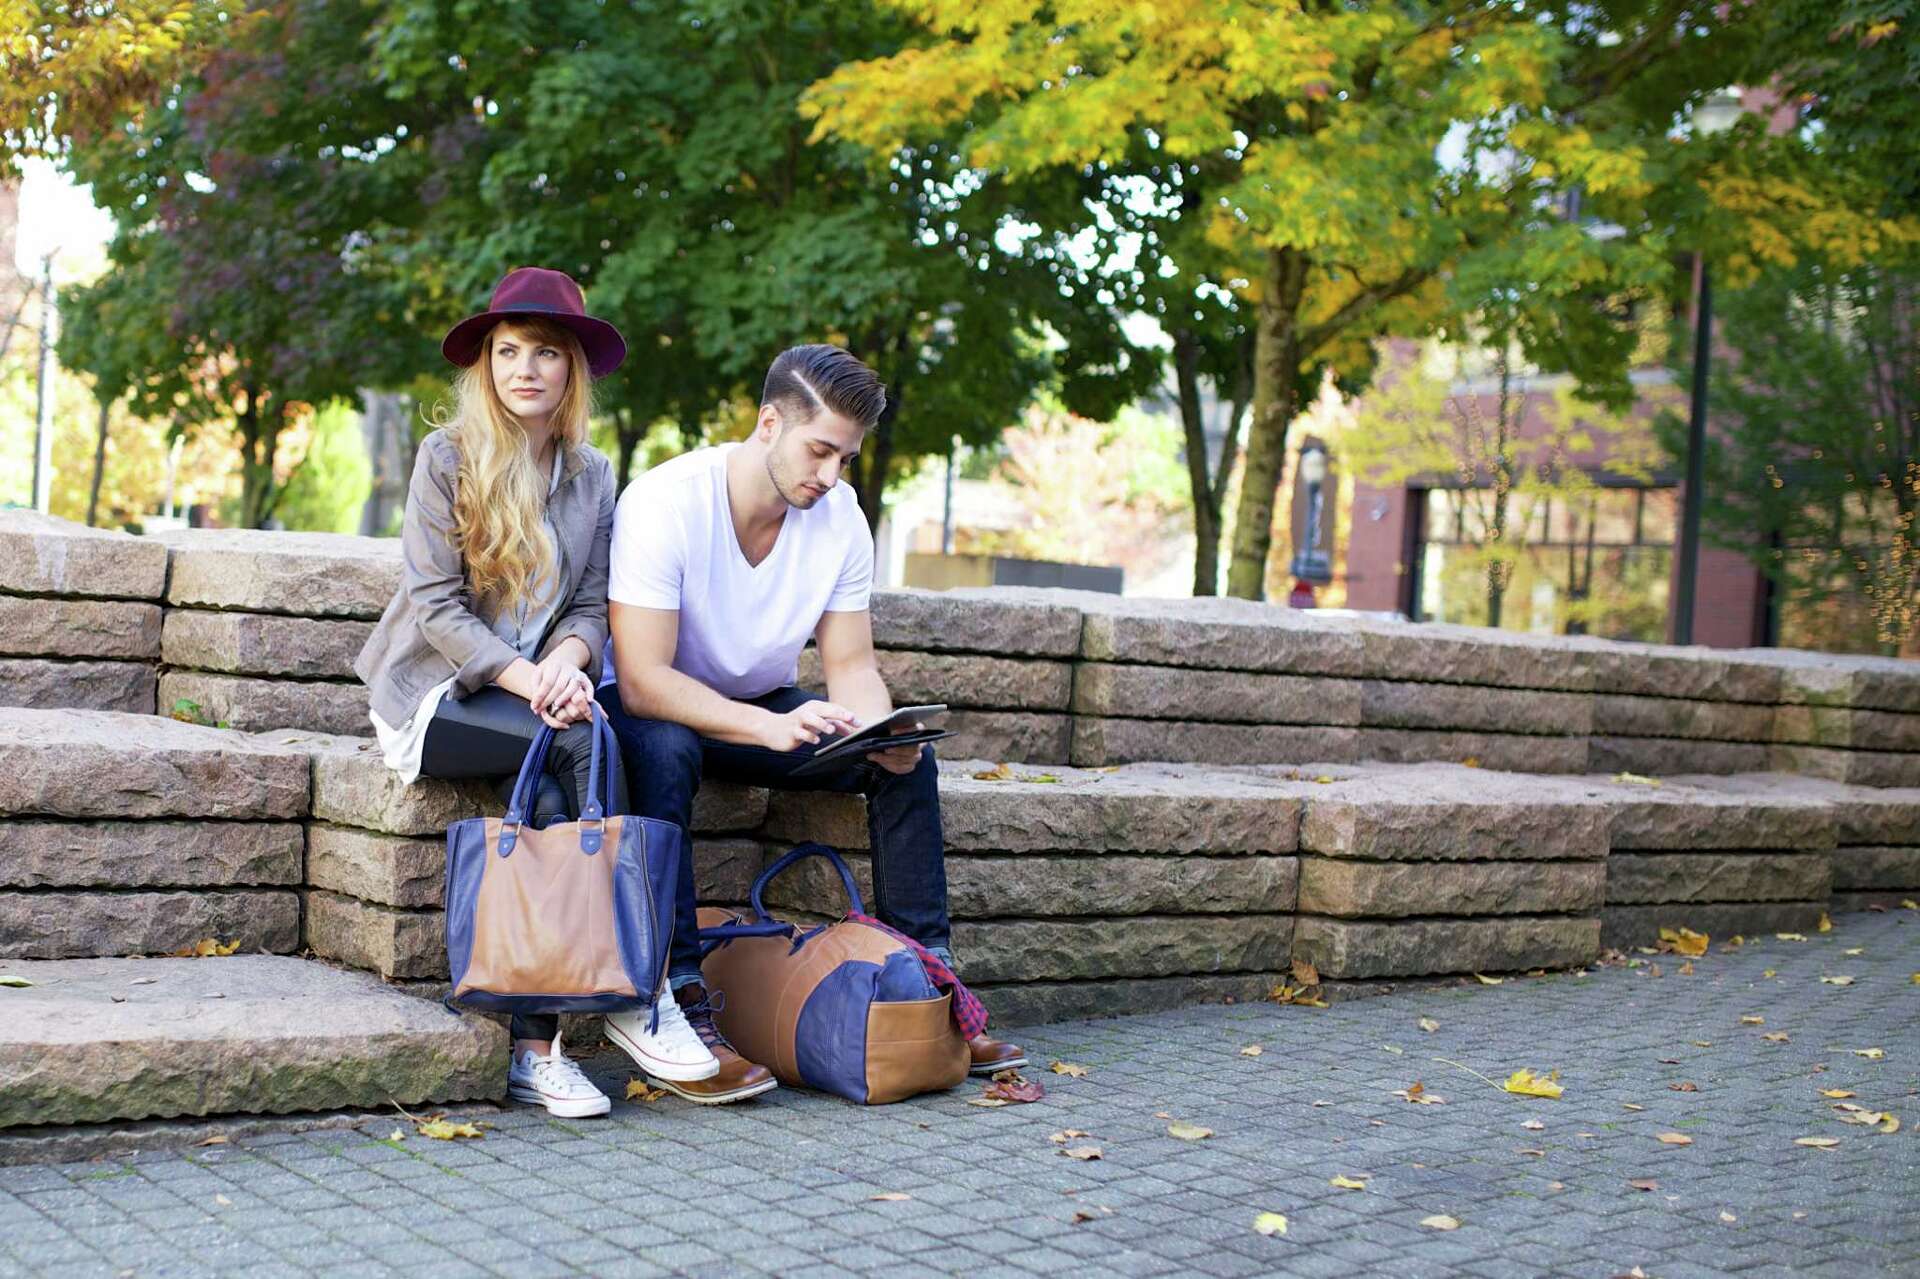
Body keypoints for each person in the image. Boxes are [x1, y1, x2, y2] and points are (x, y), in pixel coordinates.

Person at [597, 343, 1026, 1105]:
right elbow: (642, 677)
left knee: (904, 759)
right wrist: (760, 730)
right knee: (663, 750)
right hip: (660, 710)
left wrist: (878, 733)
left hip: (763, 709)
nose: (830, 475)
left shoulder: (839, 517)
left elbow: (851, 664)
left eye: (846, 457)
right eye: (820, 449)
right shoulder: (665, 501)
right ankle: (684, 997)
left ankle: (928, 982)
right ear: (769, 423)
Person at [355, 266, 717, 1119]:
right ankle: (635, 989)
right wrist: (537, 682)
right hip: (438, 694)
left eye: (545, 353)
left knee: (562, 783)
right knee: (591, 740)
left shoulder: (593, 476)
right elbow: (437, 607)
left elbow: (591, 603)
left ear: (571, 370)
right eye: (508, 351)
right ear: (487, 366)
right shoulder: (446, 458)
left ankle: (532, 1048)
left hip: (533, 696)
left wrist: (571, 660)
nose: (525, 368)